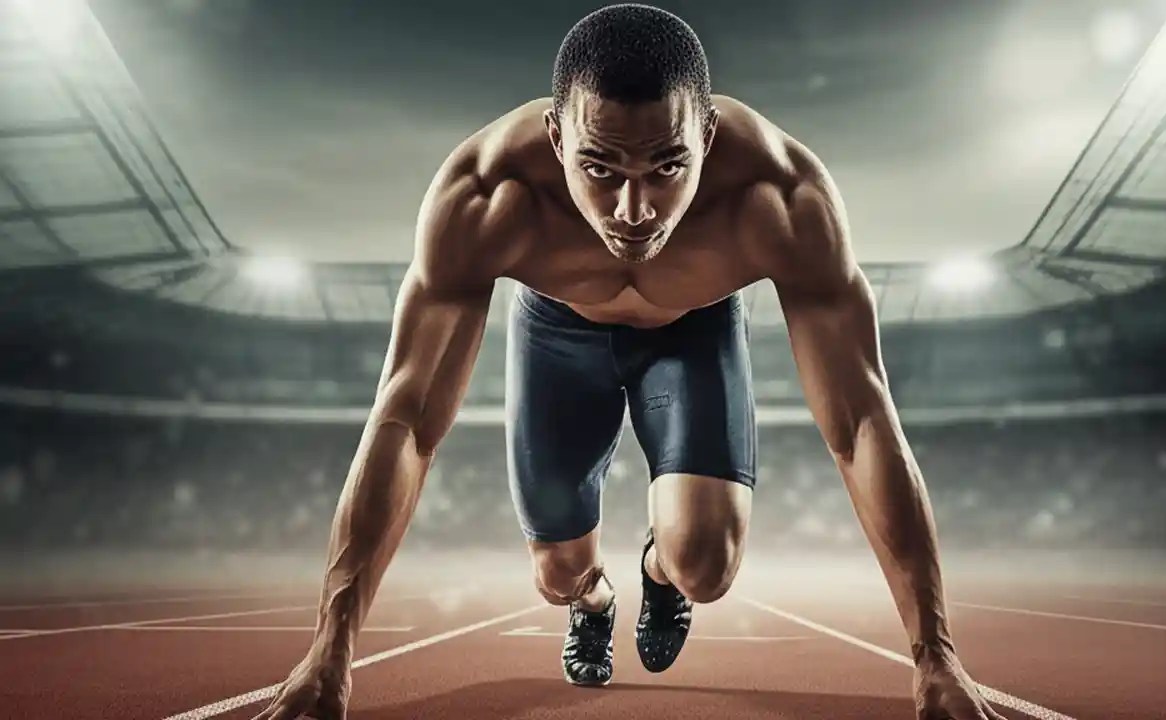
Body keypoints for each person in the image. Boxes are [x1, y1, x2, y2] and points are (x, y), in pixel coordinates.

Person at [253, 4, 1007, 719]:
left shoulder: (780, 197)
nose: (634, 211)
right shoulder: (486, 195)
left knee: (703, 567)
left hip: (693, 327)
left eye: (667, 167)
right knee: (556, 576)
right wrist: (331, 648)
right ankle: (595, 603)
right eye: (602, 169)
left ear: (708, 135)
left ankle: (658, 574)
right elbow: (408, 421)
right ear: (555, 137)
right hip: (557, 334)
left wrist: (935, 655)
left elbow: (861, 422)